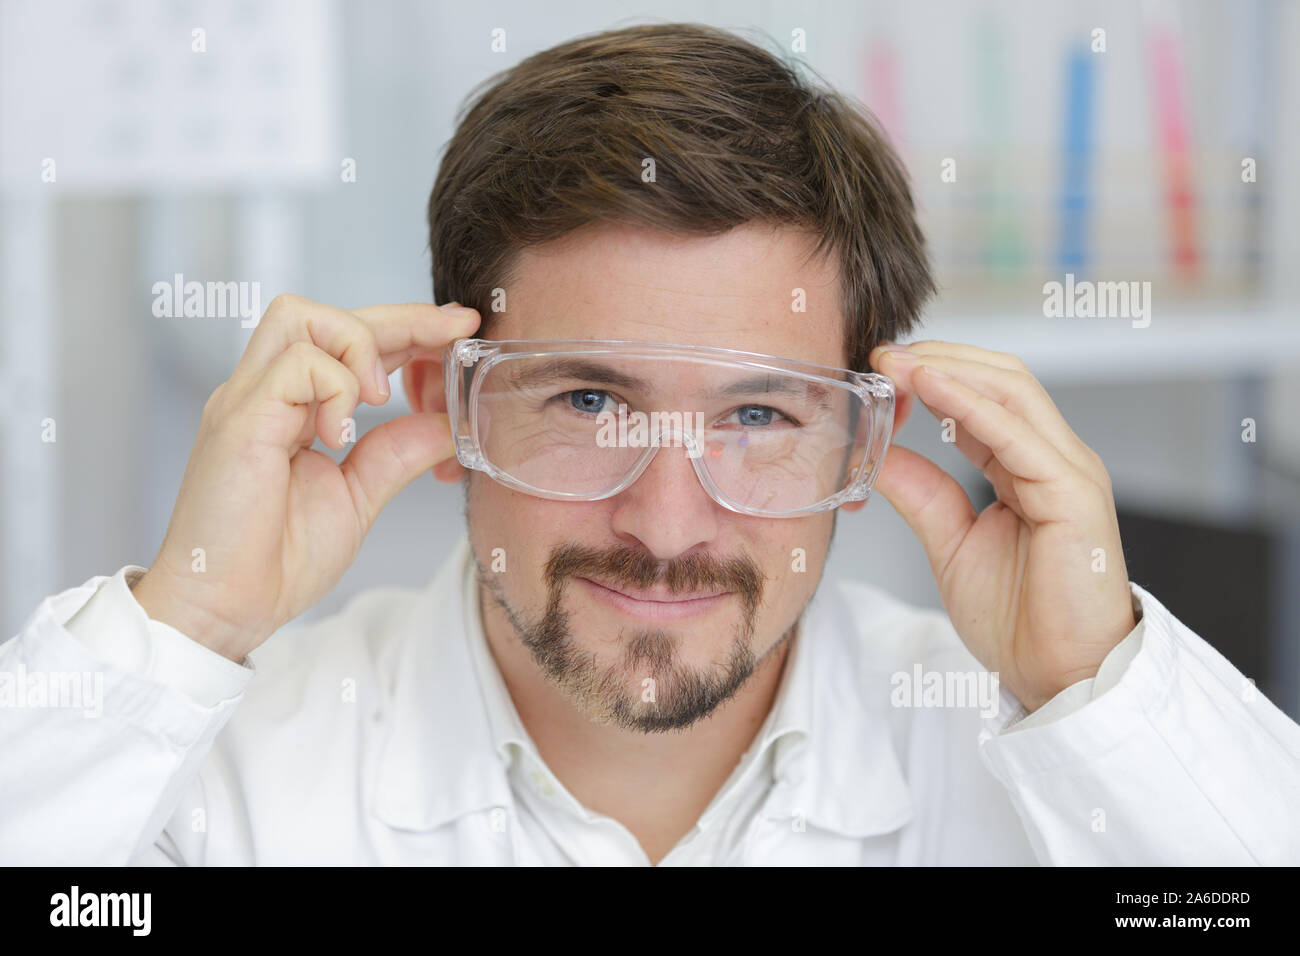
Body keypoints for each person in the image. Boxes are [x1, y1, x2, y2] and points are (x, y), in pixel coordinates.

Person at [2, 23, 1298, 866]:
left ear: (866, 439)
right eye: (587, 405)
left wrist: (1097, 686)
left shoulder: (1025, 774)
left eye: (756, 416)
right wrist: (185, 626)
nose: (669, 525)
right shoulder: (229, 783)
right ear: (449, 404)